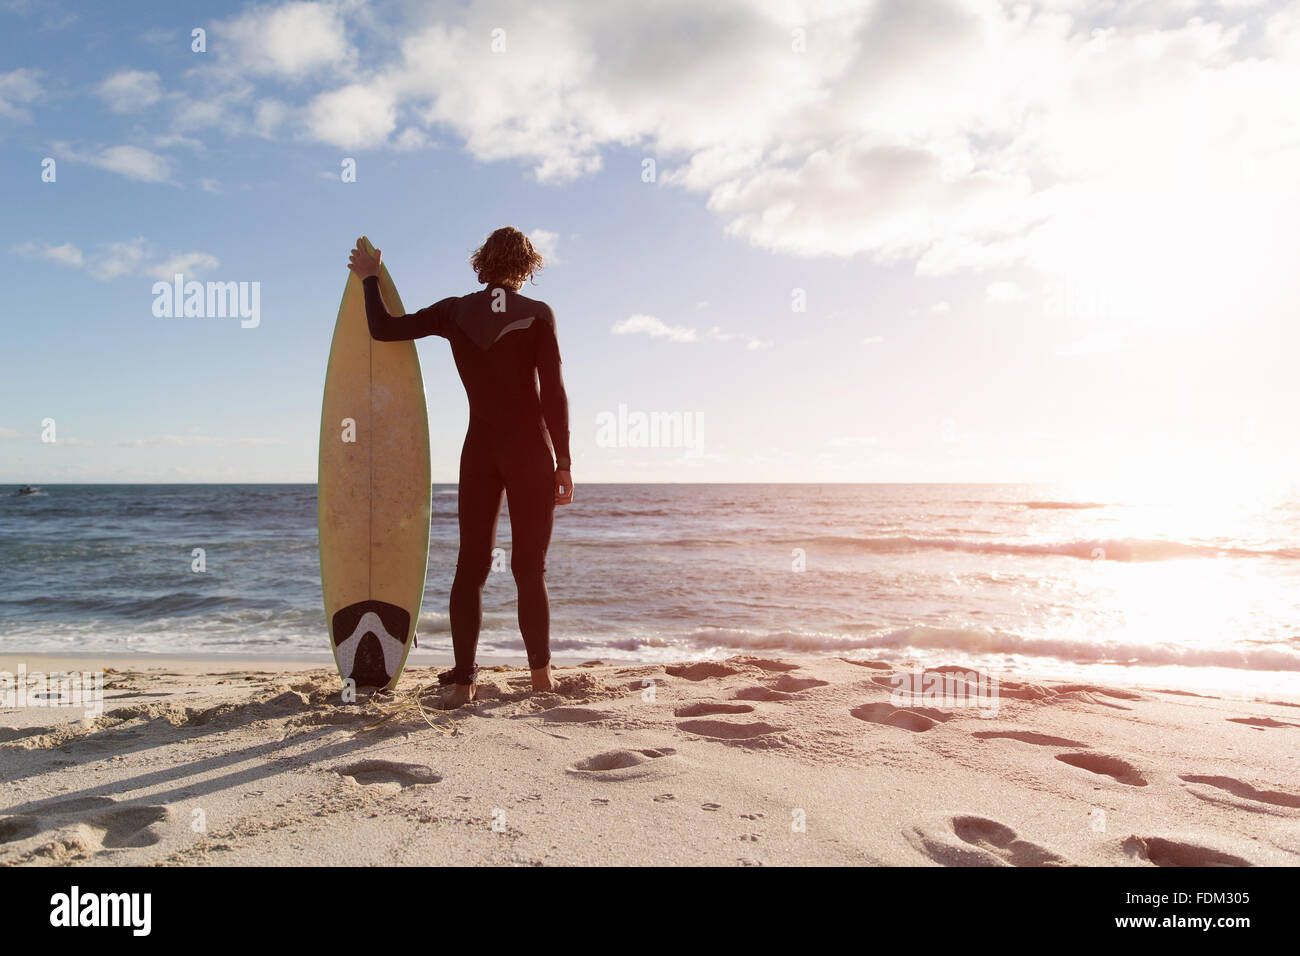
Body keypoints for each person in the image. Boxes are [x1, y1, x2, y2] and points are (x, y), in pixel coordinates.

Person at [347, 227, 573, 708]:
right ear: (527, 266)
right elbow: (553, 393)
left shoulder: (454, 311)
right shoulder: (537, 315)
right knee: (529, 568)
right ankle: (541, 681)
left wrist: (370, 278)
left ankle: (465, 683)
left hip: (480, 452)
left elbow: (384, 329)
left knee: (470, 568)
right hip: (531, 452)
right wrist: (564, 463)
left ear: (481, 262)